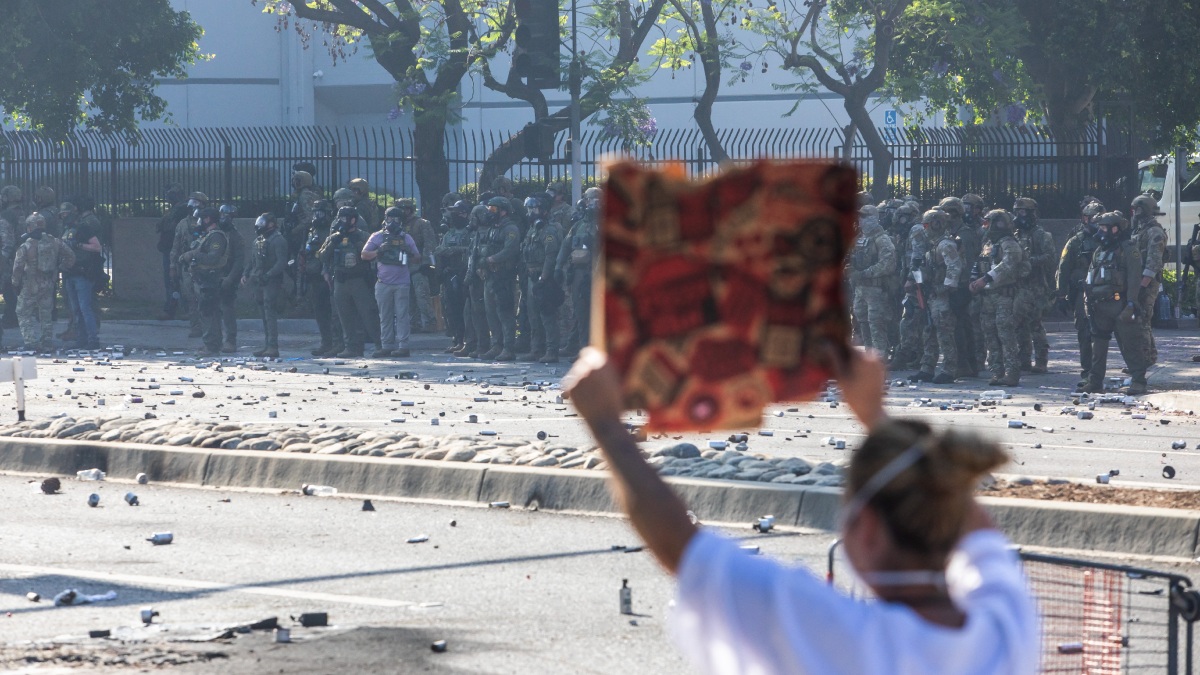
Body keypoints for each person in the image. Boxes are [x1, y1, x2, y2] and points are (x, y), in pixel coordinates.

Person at [562, 346, 1039, 675]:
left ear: (867, 533)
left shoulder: (850, 640)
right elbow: (969, 519)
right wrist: (877, 418)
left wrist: (604, 421)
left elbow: (682, 548)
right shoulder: (1004, 627)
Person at [1079, 212, 1148, 395]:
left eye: (1104, 228)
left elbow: (1134, 278)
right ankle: (1095, 382)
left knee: (1130, 345)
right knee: (1098, 347)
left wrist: (1131, 304)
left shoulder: (1128, 249)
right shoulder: (1100, 250)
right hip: (1099, 306)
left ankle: (1138, 380)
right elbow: (1091, 275)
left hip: (1120, 305)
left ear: (1116, 229)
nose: (1101, 231)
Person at [970, 210, 1027, 387]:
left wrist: (985, 278)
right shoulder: (988, 243)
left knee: (1005, 333)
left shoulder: (1010, 244)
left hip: (1005, 295)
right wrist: (973, 280)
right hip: (988, 296)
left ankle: (1012, 372)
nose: (985, 227)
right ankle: (997, 371)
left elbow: (1008, 265)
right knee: (989, 333)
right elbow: (979, 262)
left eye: (988, 223)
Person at [319, 206, 379, 358]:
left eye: (344, 218)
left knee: (368, 314)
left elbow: (371, 255)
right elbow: (322, 256)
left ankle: (380, 344)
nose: (341, 221)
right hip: (340, 280)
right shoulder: (334, 237)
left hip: (359, 280)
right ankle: (351, 347)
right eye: (339, 218)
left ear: (353, 220)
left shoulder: (364, 236)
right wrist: (334, 242)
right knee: (345, 316)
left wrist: (357, 243)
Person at [362, 206, 420, 358]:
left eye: (396, 219)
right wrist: (379, 250)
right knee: (385, 315)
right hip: (383, 282)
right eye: (390, 218)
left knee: (402, 315)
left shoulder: (406, 238)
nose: (393, 222)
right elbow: (364, 255)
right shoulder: (378, 236)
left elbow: (417, 258)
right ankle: (386, 345)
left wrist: (406, 249)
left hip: (402, 282)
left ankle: (403, 346)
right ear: (385, 219)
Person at [1056, 199, 1104, 382]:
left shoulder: (1112, 240)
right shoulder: (1076, 241)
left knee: (1110, 333)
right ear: (1085, 219)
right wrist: (1061, 294)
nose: (1096, 223)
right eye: (1092, 219)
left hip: (1107, 292)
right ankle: (1089, 371)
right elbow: (1063, 267)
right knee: (1085, 333)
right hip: (1083, 293)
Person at [12, 213, 74, 352]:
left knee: (22, 312)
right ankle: (46, 341)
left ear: (29, 227)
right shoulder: (55, 242)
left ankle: (31, 342)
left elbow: (18, 267)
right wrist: (59, 268)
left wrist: (15, 283)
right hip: (48, 282)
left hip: (30, 283)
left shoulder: (26, 246)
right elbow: (71, 256)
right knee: (46, 312)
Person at [914, 209, 961, 384]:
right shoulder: (934, 246)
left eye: (927, 225)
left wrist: (947, 287)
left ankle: (949, 369)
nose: (925, 229)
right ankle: (927, 368)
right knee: (929, 331)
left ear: (936, 224)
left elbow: (954, 267)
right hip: (932, 293)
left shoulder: (945, 245)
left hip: (942, 296)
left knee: (944, 333)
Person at [518, 192, 565, 363]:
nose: (531, 211)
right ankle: (536, 349)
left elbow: (550, 256)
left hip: (544, 278)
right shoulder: (533, 229)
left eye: (534, 208)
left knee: (547, 315)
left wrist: (544, 278)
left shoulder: (550, 229)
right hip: (531, 276)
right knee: (533, 314)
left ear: (543, 210)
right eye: (529, 208)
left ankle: (551, 351)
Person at [556, 187, 600, 355]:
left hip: (596, 274)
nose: (591, 203)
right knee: (580, 311)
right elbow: (566, 246)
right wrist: (558, 267)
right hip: (579, 274)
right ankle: (580, 347)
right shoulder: (579, 225)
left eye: (595, 200)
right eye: (589, 199)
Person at [1012, 197, 1054, 374]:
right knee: (1019, 325)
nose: (1019, 216)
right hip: (1019, 286)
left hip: (1036, 285)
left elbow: (1050, 258)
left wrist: (1028, 262)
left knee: (1035, 324)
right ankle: (1024, 359)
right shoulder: (1015, 235)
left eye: (1023, 212)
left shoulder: (1041, 235)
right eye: (1017, 212)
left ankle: (1041, 360)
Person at [181, 207, 229, 357]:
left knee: (209, 313)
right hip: (202, 279)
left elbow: (213, 257)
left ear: (208, 219)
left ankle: (212, 346)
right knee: (206, 312)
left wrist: (193, 255)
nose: (199, 221)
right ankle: (211, 344)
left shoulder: (216, 237)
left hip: (211, 279)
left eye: (202, 218)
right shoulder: (206, 236)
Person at [849, 205, 896, 356]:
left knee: (876, 324)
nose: (860, 220)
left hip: (876, 290)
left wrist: (864, 273)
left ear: (874, 218)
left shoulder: (882, 239)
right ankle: (869, 358)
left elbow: (888, 264)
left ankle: (880, 357)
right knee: (863, 322)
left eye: (864, 217)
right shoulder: (860, 239)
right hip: (860, 289)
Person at [480, 196, 522, 361]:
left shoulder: (510, 228)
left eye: (494, 209)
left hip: (504, 275)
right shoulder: (492, 228)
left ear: (503, 211)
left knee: (504, 312)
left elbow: (510, 249)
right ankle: (496, 345)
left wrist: (492, 259)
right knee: (490, 312)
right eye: (489, 209)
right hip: (490, 275)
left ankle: (508, 347)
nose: (490, 212)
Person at [242, 213, 288, 358]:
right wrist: (246, 273)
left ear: (271, 224)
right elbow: (252, 259)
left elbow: (281, 262)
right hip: (258, 280)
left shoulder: (278, 240)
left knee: (270, 314)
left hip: (271, 281)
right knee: (263, 314)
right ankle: (267, 345)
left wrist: (268, 275)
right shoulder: (258, 240)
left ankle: (273, 346)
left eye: (263, 223)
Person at [60, 201, 104, 350]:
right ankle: (81, 338)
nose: (64, 216)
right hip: (69, 273)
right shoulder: (66, 229)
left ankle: (93, 339)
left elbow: (97, 247)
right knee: (76, 309)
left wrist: (79, 245)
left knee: (85, 308)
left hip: (82, 273)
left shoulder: (84, 228)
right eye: (62, 214)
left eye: (66, 213)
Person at [303, 199, 344, 357]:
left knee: (334, 312)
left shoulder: (332, 229)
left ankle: (337, 343)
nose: (317, 216)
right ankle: (325, 342)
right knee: (319, 312)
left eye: (320, 212)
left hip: (328, 275)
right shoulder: (312, 229)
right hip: (313, 275)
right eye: (315, 212)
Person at [1130, 193, 1166, 367]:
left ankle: (1143, 361)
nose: (1134, 213)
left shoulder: (1155, 232)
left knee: (1142, 320)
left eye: (1136, 209)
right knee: (1139, 321)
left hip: (1147, 284)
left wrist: (1142, 287)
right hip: (1137, 281)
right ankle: (1148, 357)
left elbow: (1153, 263)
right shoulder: (1139, 230)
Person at [170, 191, 209, 339]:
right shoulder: (183, 224)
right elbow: (176, 247)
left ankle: (207, 326)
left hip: (203, 266)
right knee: (190, 297)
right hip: (186, 267)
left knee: (203, 297)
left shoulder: (208, 223)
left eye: (197, 203)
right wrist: (173, 266)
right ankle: (195, 327)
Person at [395, 198, 438, 333]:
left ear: (409, 209)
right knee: (407, 297)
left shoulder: (421, 224)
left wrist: (426, 263)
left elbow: (429, 243)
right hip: (402, 266)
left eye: (403, 209)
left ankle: (431, 321)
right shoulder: (395, 225)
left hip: (418, 265)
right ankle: (414, 323)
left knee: (422, 295)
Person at [435, 199, 472, 354]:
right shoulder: (449, 233)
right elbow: (439, 249)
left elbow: (472, 249)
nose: (453, 215)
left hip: (463, 272)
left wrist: (457, 250)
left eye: (457, 212)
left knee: (465, 309)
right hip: (450, 273)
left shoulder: (470, 231)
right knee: (451, 309)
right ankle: (457, 339)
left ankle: (468, 340)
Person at [459, 204, 493, 359]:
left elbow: (482, 256)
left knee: (480, 313)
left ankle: (483, 345)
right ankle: (471, 343)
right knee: (470, 313)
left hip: (481, 278)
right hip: (472, 277)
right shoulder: (476, 234)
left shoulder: (487, 234)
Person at [156, 184, 189, 320]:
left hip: (178, 249)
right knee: (172, 281)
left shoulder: (182, 209)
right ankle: (172, 308)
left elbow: (169, 226)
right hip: (170, 249)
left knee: (179, 280)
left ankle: (182, 310)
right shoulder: (175, 209)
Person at [217, 204, 244, 353]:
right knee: (212, 309)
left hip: (228, 277)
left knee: (227, 310)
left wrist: (230, 278)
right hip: (214, 276)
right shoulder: (215, 233)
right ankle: (214, 340)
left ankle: (230, 340)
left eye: (228, 216)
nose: (224, 218)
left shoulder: (235, 236)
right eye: (222, 214)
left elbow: (239, 261)